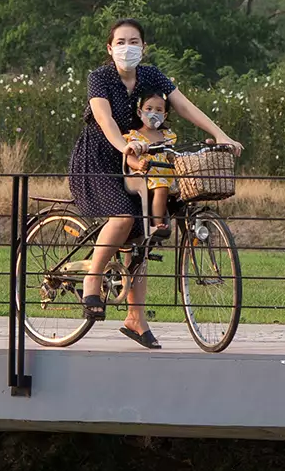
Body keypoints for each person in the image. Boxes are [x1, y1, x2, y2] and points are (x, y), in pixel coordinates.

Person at [68, 17, 242, 349]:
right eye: (120, 42)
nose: (127, 48)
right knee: (124, 218)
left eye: (134, 42)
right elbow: (103, 120)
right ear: (109, 48)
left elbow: (184, 105)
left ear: (143, 47)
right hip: (101, 160)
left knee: (143, 235)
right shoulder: (100, 78)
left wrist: (219, 134)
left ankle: (136, 319)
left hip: (142, 159)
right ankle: (92, 281)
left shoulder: (151, 75)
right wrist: (125, 146)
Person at [124, 93, 178, 238]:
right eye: (149, 108)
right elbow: (129, 158)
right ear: (139, 112)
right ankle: (156, 224)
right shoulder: (135, 135)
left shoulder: (167, 136)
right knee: (161, 187)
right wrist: (139, 164)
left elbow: (171, 155)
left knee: (186, 186)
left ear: (165, 115)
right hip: (143, 175)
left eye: (159, 110)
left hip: (166, 173)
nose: (153, 113)